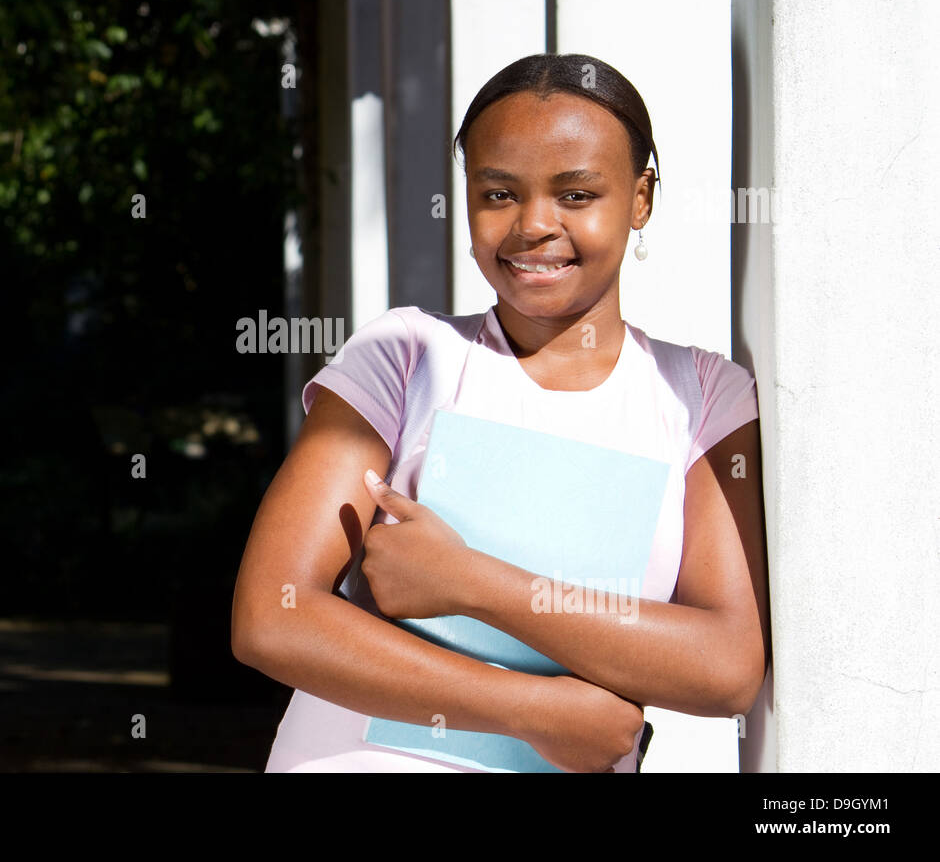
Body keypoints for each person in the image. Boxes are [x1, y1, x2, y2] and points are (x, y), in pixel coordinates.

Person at [230, 53, 770, 772]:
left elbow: (727, 665)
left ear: (640, 199)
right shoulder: (406, 356)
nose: (533, 226)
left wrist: (470, 583)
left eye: (576, 194)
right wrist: (531, 710)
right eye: (498, 194)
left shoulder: (702, 397)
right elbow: (272, 616)